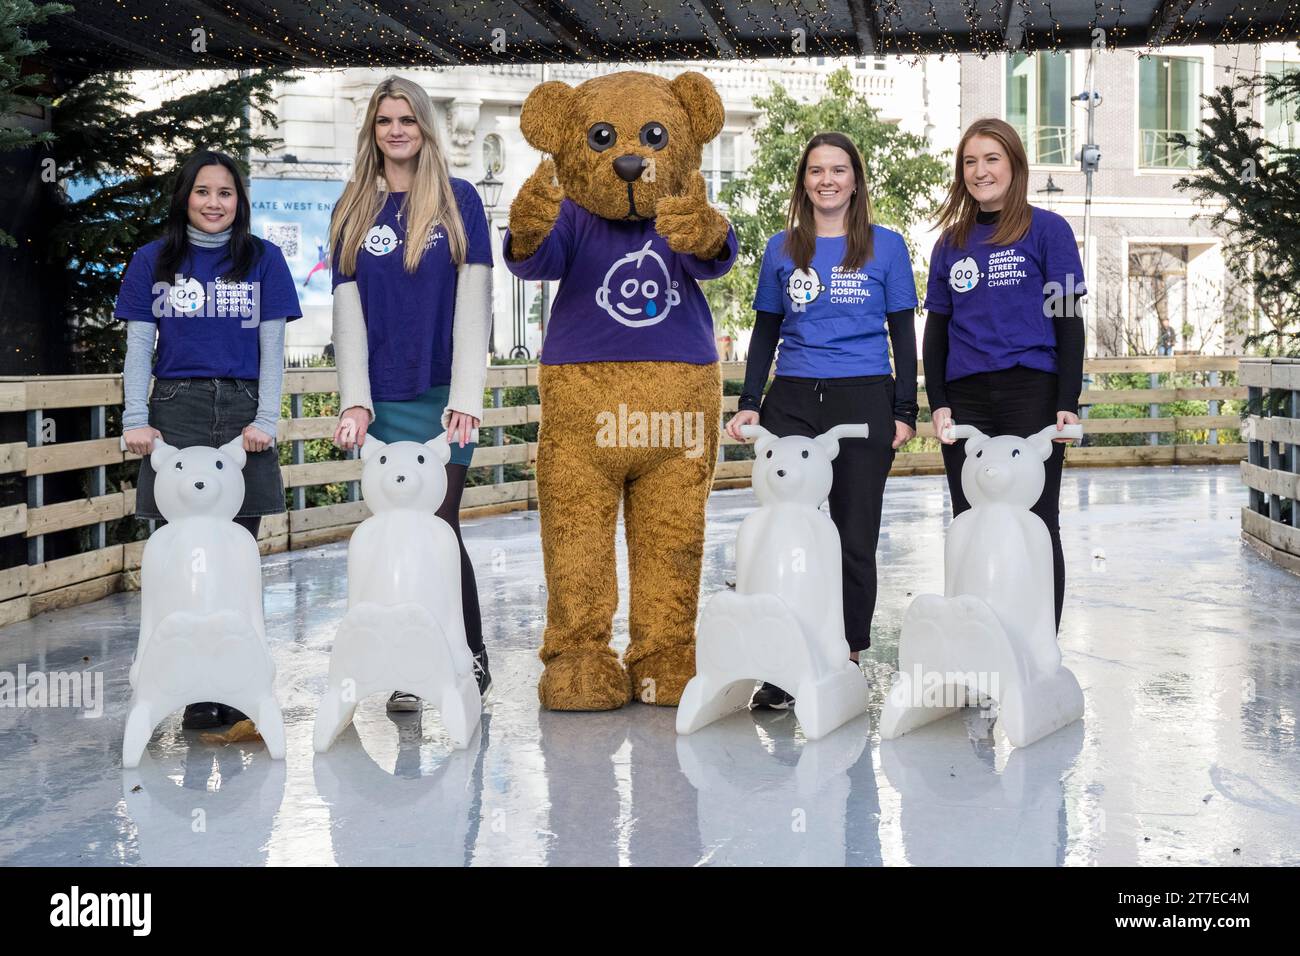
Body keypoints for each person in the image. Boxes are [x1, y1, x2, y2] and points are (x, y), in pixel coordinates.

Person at [727, 131, 919, 710]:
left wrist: (904, 409)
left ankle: (847, 654)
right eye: (816, 171)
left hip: (863, 399)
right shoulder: (782, 248)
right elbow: (764, 331)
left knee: (854, 535)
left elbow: (904, 334)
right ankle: (784, 667)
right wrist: (749, 400)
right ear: (803, 182)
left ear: (855, 180)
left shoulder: (886, 247)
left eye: (839, 170)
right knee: (789, 536)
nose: (827, 180)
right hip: (792, 400)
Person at [117, 149, 302, 730]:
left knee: (237, 557)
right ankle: (192, 687)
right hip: (177, 410)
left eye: (225, 193)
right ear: (185, 197)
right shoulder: (153, 261)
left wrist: (266, 421)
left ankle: (236, 681)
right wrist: (134, 419)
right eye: (203, 192)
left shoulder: (263, 260)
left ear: (238, 202)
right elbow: (140, 347)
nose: (214, 203)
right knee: (185, 560)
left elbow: (273, 351)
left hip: (243, 411)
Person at [330, 75, 494, 708]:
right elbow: (347, 310)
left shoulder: (459, 201)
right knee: (393, 533)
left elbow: (475, 302)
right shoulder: (353, 205)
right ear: (372, 131)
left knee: (441, 528)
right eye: (384, 121)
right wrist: (354, 398)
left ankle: (467, 658)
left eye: (407, 119)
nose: (396, 130)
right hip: (383, 401)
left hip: (442, 398)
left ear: (425, 127)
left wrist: (467, 397)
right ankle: (404, 670)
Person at [922, 117, 1086, 632]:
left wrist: (1066, 399)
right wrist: (939, 401)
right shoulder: (950, 244)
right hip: (967, 399)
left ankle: (1039, 645)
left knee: (1037, 522)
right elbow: (937, 332)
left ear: (1015, 165)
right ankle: (974, 642)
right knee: (971, 521)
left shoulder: (1049, 231)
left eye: (991, 158)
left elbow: (1069, 321)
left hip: (1030, 394)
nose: (980, 170)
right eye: (970, 161)